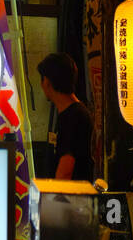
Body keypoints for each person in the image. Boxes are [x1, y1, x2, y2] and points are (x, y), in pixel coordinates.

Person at [37, 52, 94, 183]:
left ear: (47, 82)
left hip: (71, 200)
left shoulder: (74, 117)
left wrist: (54, 199)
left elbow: (65, 171)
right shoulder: (73, 113)